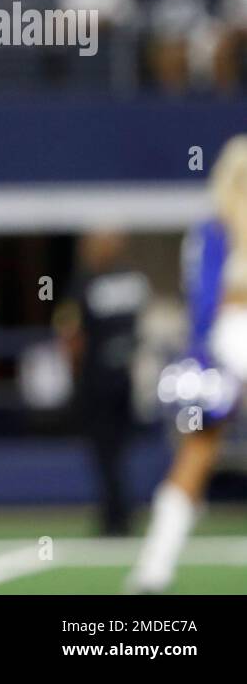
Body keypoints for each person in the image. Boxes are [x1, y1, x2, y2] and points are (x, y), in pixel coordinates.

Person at [129, 136, 247, 592]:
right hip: (230, 334)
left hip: (225, 337)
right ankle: (153, 566)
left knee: (196, 453)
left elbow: (200, 300)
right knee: (197, 451)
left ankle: (154, 567)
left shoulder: (210, 230)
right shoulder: (215, 230)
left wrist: (200, 351)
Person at [56, 230, 149, 536]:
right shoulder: (134, 280)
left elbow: (71, 335)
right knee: (117, 451)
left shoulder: (87, 281)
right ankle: (121, 514)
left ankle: (115, 518)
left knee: (106, 451)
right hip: (127, 375)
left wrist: (74, 374)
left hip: (99, 378)